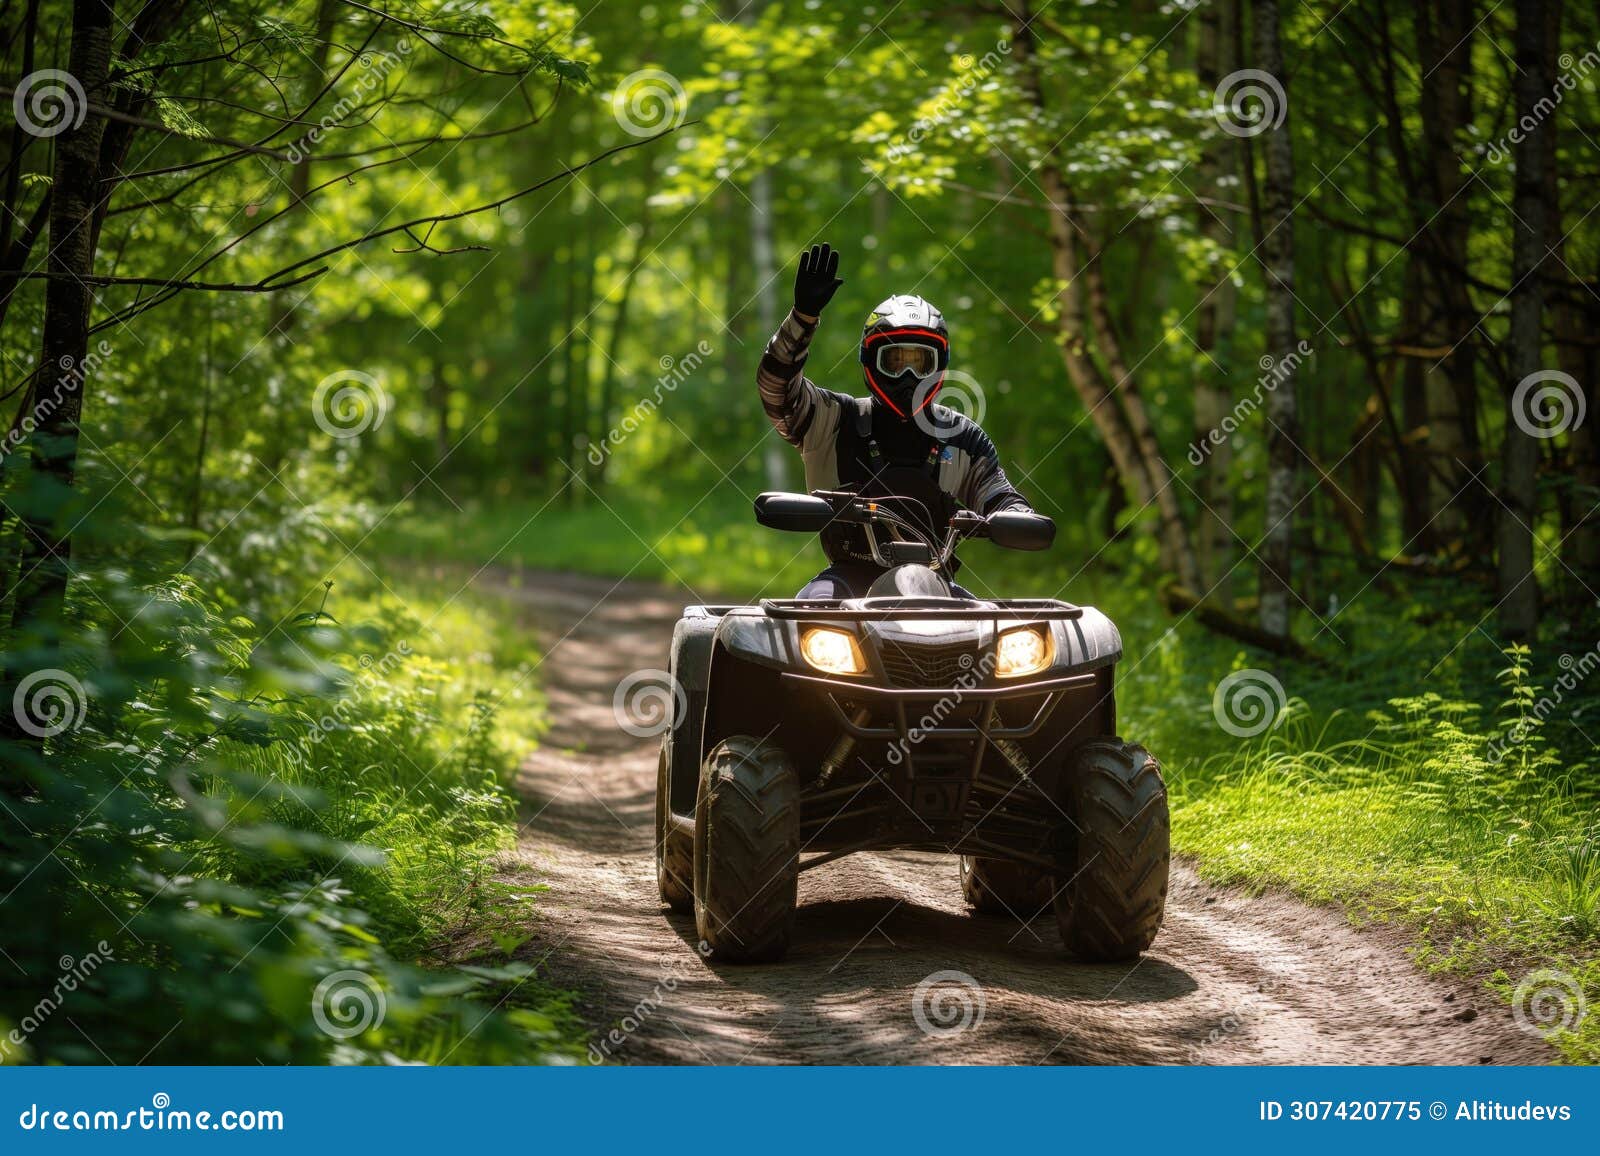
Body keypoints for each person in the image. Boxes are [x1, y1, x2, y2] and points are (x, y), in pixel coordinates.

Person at [757, 241, 1035, 599]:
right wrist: (802, 318)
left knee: (1000, 639)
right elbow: (776, 389)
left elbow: (1000, 496)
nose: (906, 375)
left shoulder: (964, 438)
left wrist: (1017, 518)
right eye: (894, 360)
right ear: (871, 361)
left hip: (937, 586)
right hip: (845, 583)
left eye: (919, 362)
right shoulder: (831, 419)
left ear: (940, 365)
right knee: (804, 622)